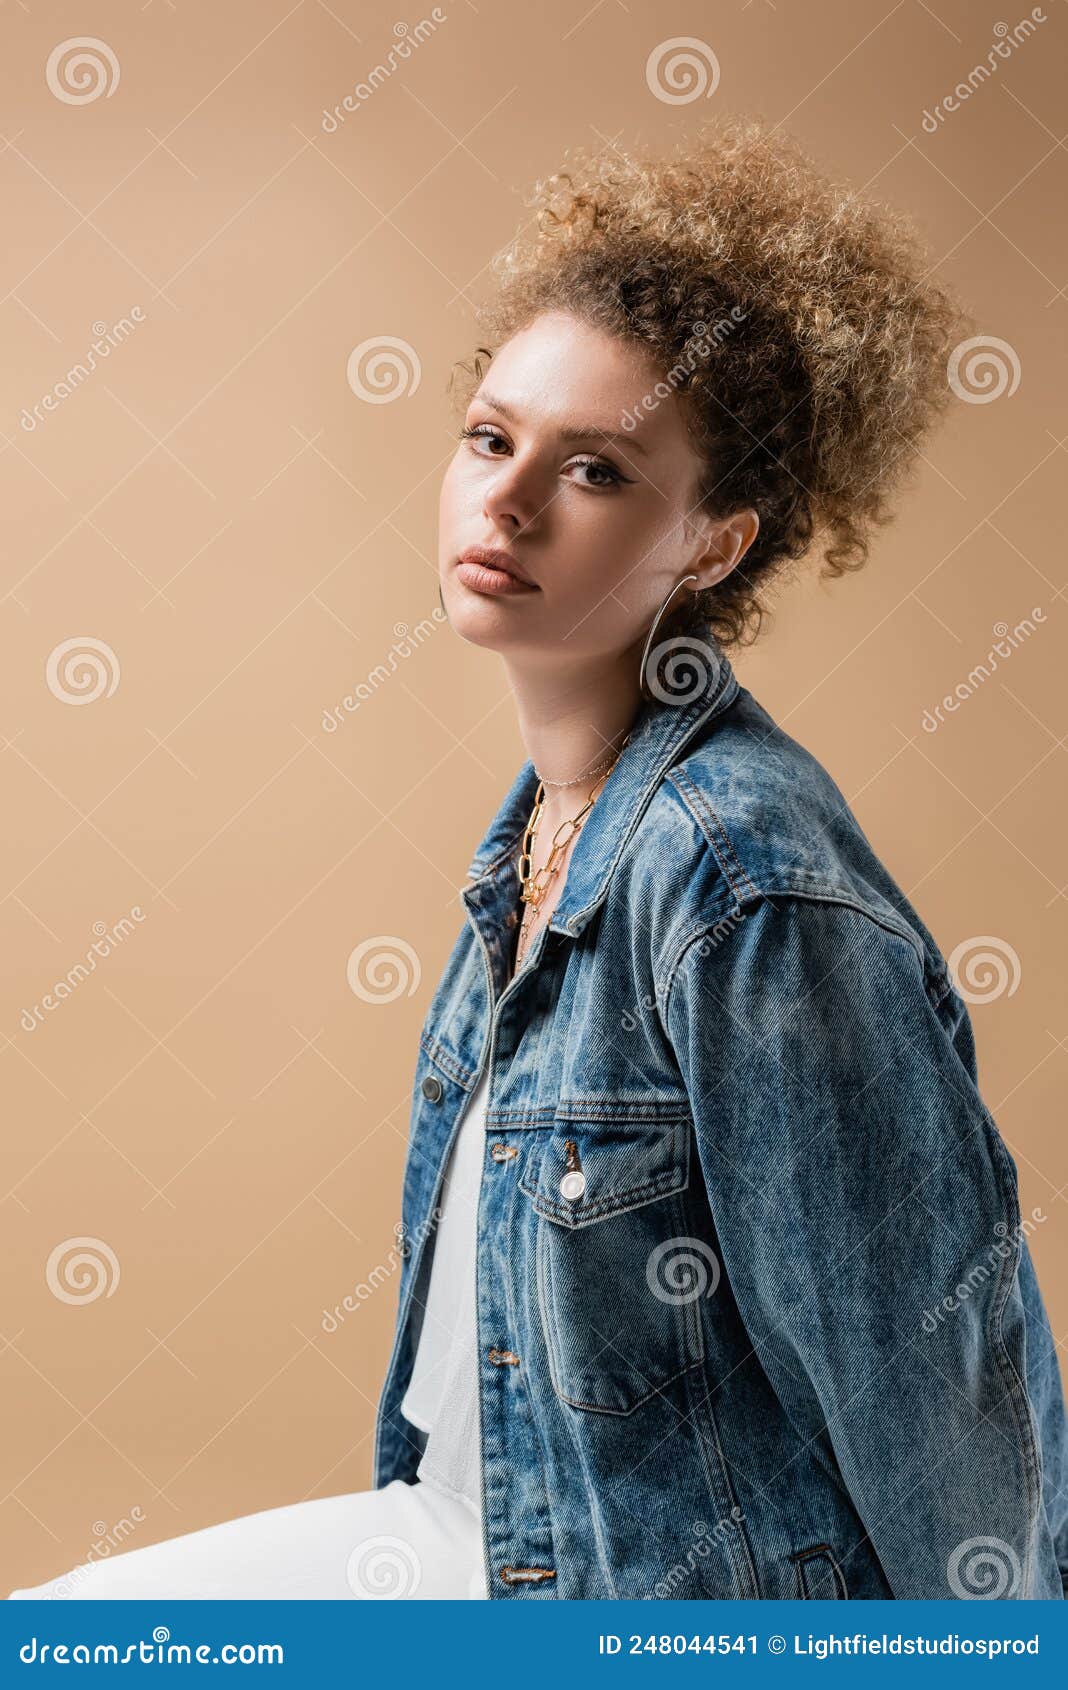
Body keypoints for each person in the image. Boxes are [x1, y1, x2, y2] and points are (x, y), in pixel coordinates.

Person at [11, 115, 1067, 1602]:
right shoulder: (536, 842)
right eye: (491, 437)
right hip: (505, 1543)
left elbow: (928, 1375)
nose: (504, 499)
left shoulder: (739, 871)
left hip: (675, 1612)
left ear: (712, 542)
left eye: (599, 473)